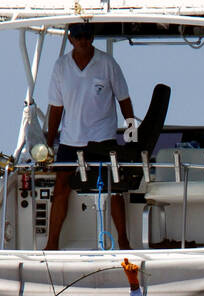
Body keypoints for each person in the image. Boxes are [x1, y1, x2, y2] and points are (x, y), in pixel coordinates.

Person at [44, 23, 138, 250]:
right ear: (71, 39)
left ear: (93, 37)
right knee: (61, 188)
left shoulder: (107, 63)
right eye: (78, 36)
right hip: (70, 140)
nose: (83, 40)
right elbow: (55, 108)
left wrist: (131, 132)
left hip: (102, 138)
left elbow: (124, 99)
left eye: (87, 36)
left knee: (114, 187)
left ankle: (124, 242)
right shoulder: (61, 66)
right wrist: (49, 143)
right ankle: (52, 243)